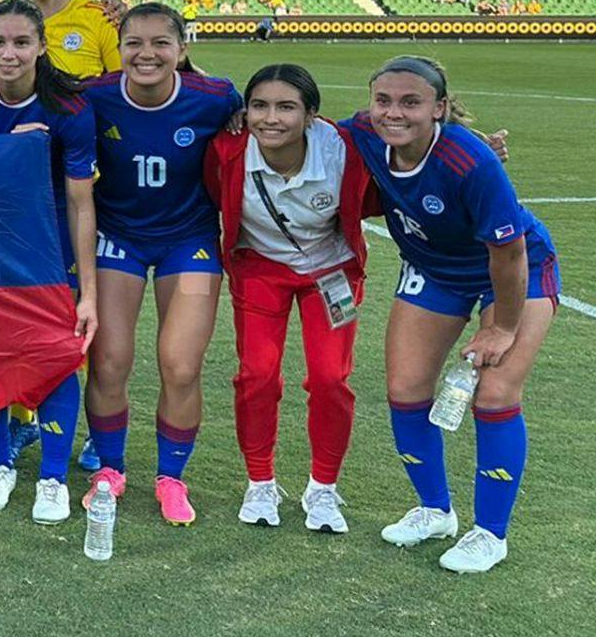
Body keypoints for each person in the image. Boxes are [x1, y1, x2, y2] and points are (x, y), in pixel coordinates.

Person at [346, 56, 557, 573]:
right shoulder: (366, 133)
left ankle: (490, 533)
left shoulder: (471, 162)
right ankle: (435, 510)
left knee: (496, 392)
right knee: (406, 389)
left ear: (439, 108)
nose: (393, 113)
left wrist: (501, 326)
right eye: (383, 100)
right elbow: (303, 125)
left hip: (514, 270)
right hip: (434, 270)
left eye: (411, 102)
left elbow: (508, 254)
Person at [80, 4, 241, 526]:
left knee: (181, 364)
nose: (146, 54)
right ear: (119, 46)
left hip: (188, 241)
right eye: (134, 43)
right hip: (118, 239)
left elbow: (280, 126)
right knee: (108, 361)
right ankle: (109, 470)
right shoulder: (96, 96)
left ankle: (172, 477)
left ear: (182, 48)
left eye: (160, 43)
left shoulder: (216, 98)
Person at [203, 64, 373, 533]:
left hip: (332, 273)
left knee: (331, 378)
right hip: (260, 269)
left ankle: (323, 488)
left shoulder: (343, 149)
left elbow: (407, 131)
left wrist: (478, 142)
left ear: (312, 115)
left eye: (286, 107)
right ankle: (260, 482)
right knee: (256, 374)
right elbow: (216, 194)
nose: (270, 118)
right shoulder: (228, 150)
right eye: (259, 106)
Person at [0, 0, 99, 523]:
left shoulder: (69, 109)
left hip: (47, 247)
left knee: (54, 356)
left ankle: (53, 478)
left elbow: (83, 202)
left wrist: (89, 291)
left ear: (42, 46)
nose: (9, 54)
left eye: (21, 43)